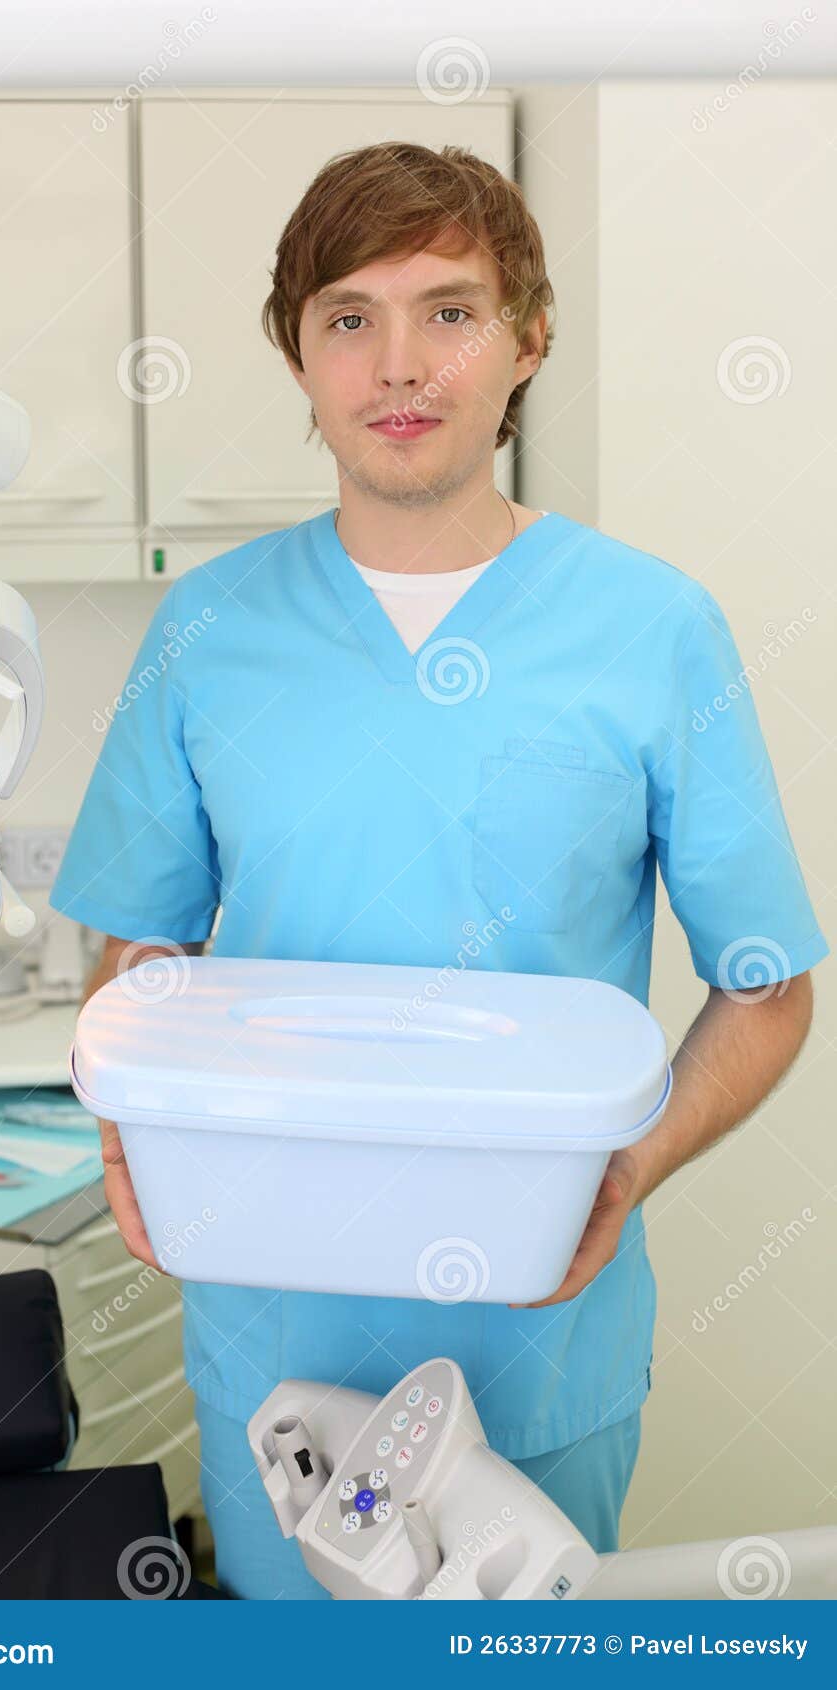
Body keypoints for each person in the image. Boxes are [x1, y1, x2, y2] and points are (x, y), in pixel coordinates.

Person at [50, 142, 827, 1599]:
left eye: (450, 310)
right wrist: (128, 1130)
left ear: (530, 337)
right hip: (274, 1337)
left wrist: (632, 1164)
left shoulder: (654, 631)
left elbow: (767, 985)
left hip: (537, 1342)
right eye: (348, 316)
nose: (399, 363)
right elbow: (139, 956)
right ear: (297, 351)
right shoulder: (209, 633)